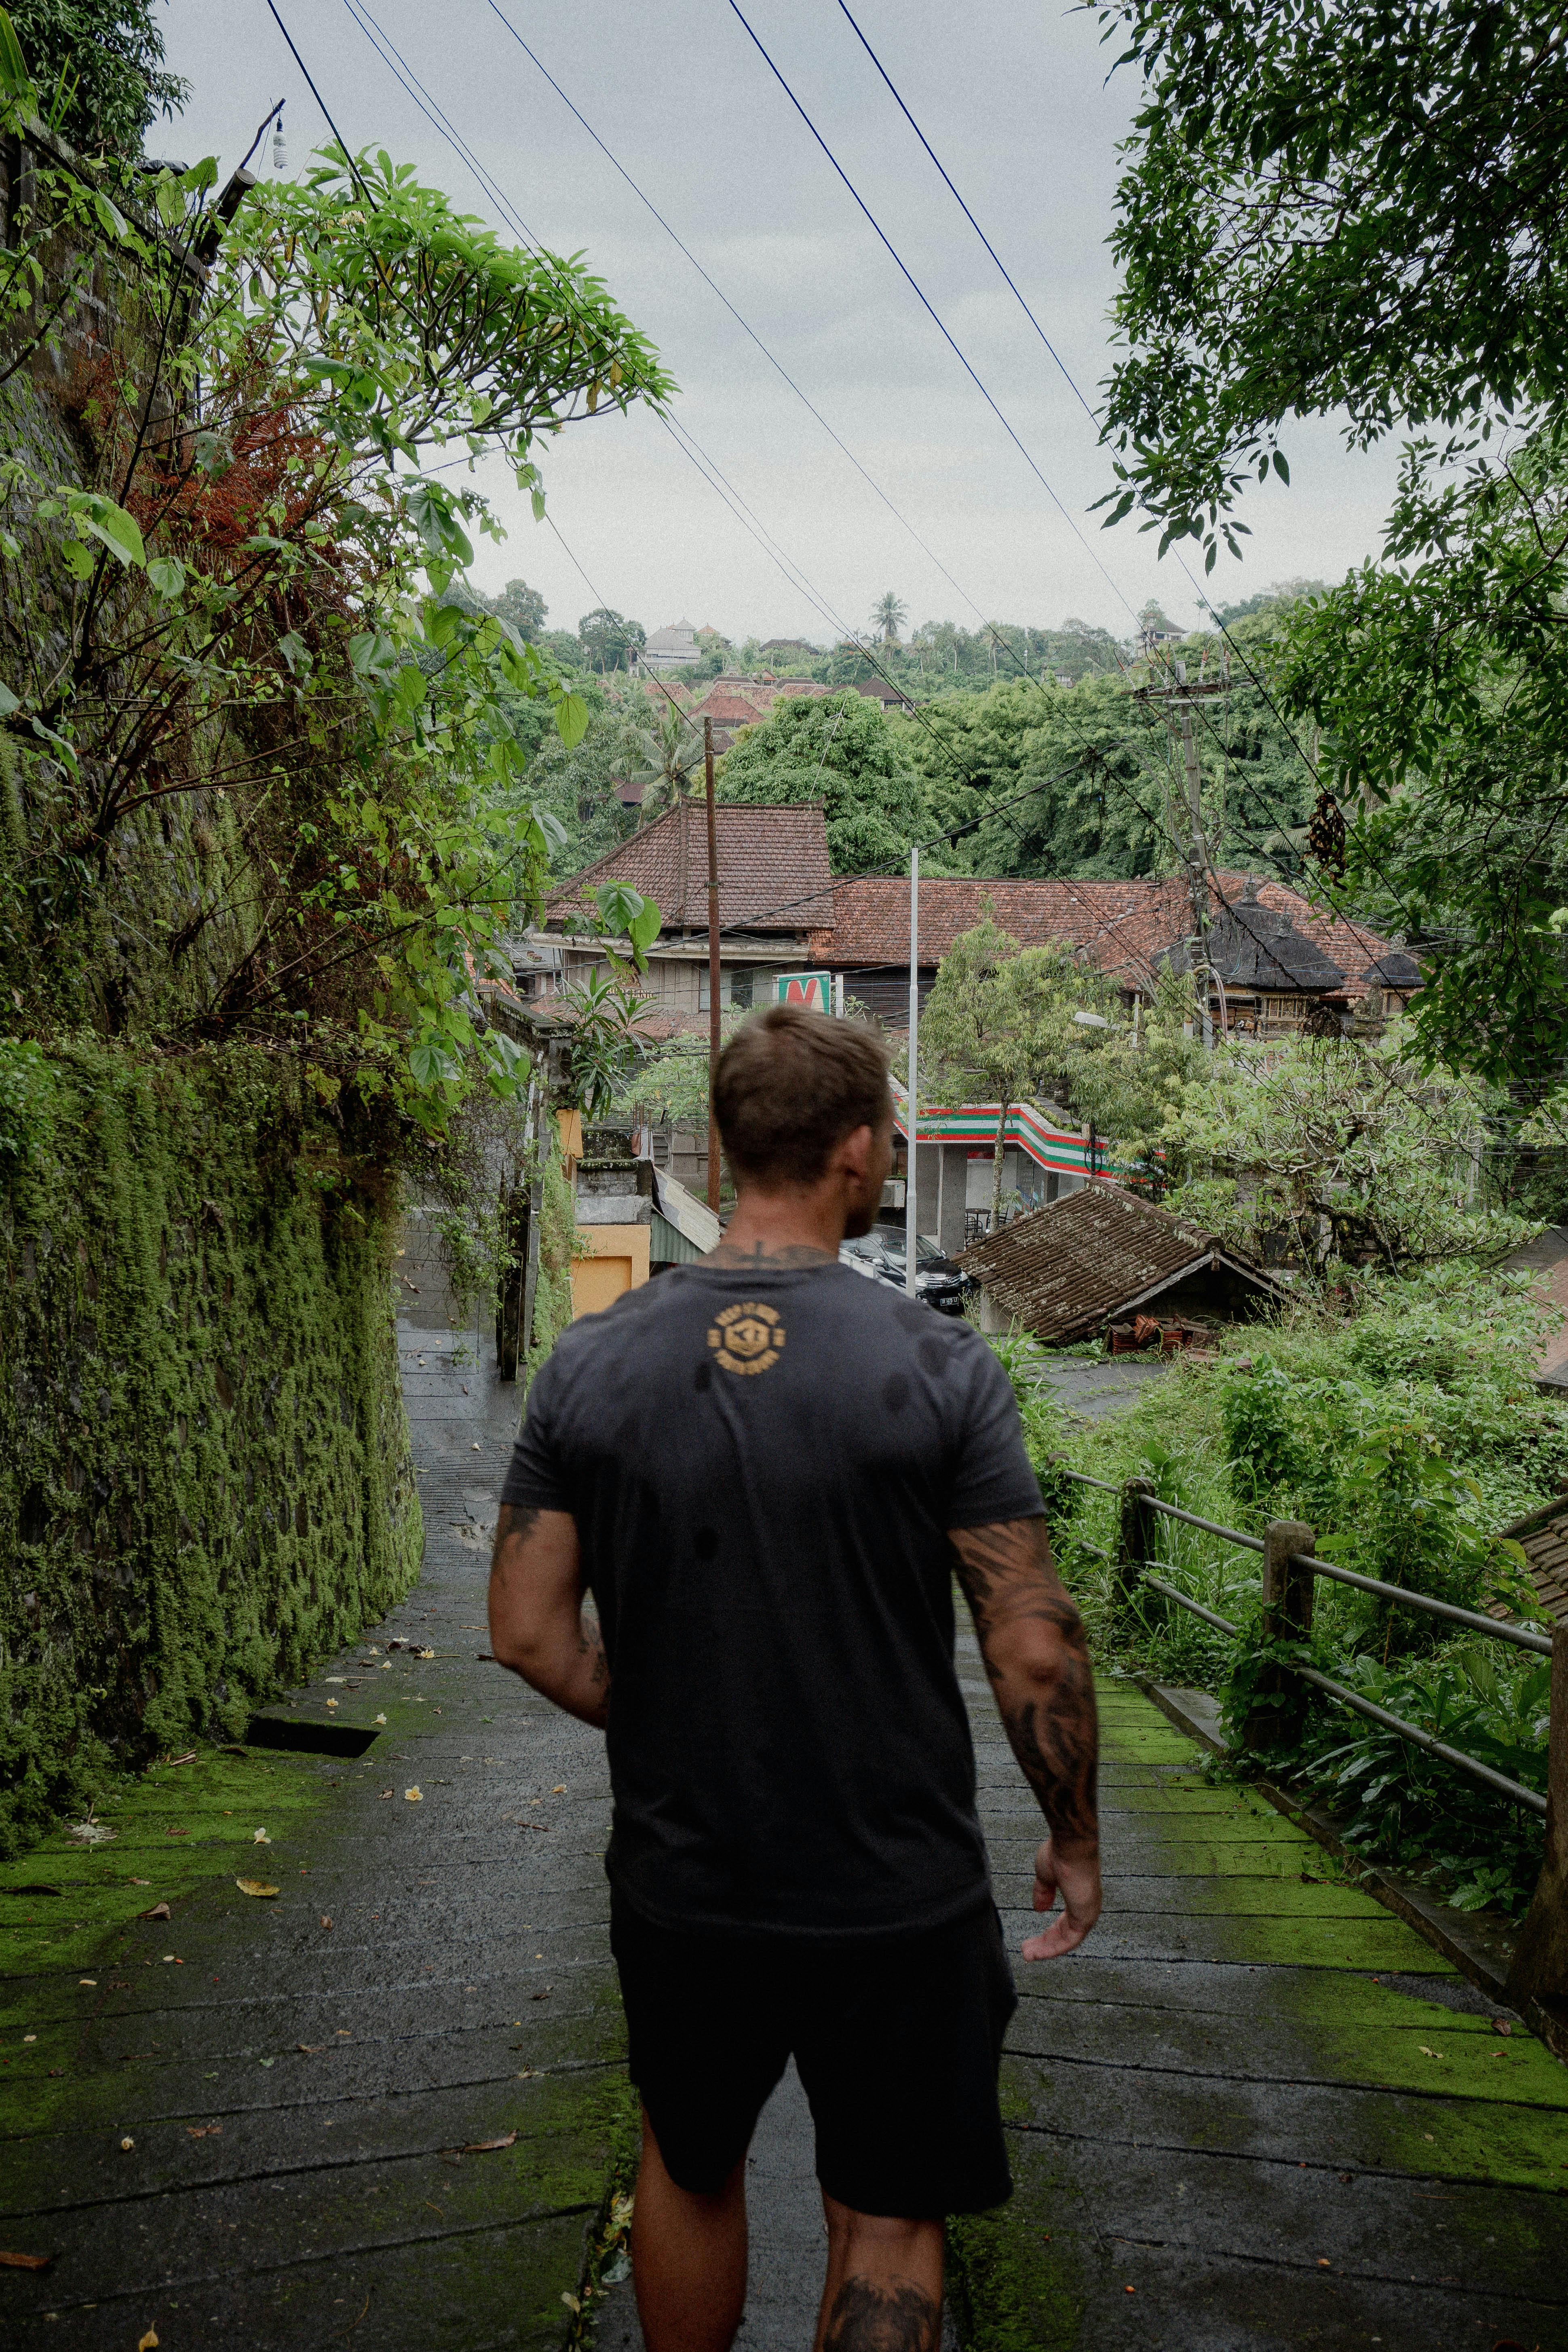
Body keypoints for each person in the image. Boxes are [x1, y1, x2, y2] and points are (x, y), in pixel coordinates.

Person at [488, 1005, 1100, 2352]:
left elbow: (528, 1630)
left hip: (684, 1876)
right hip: (894, 1888)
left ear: (721, 1147)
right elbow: (1033, 1639)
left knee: (689, 2161)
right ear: (866, 1153)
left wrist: (641, 1704)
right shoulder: (944, 1367)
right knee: (888, 2208)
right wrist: (1072, 1833)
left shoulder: (590, 1364)